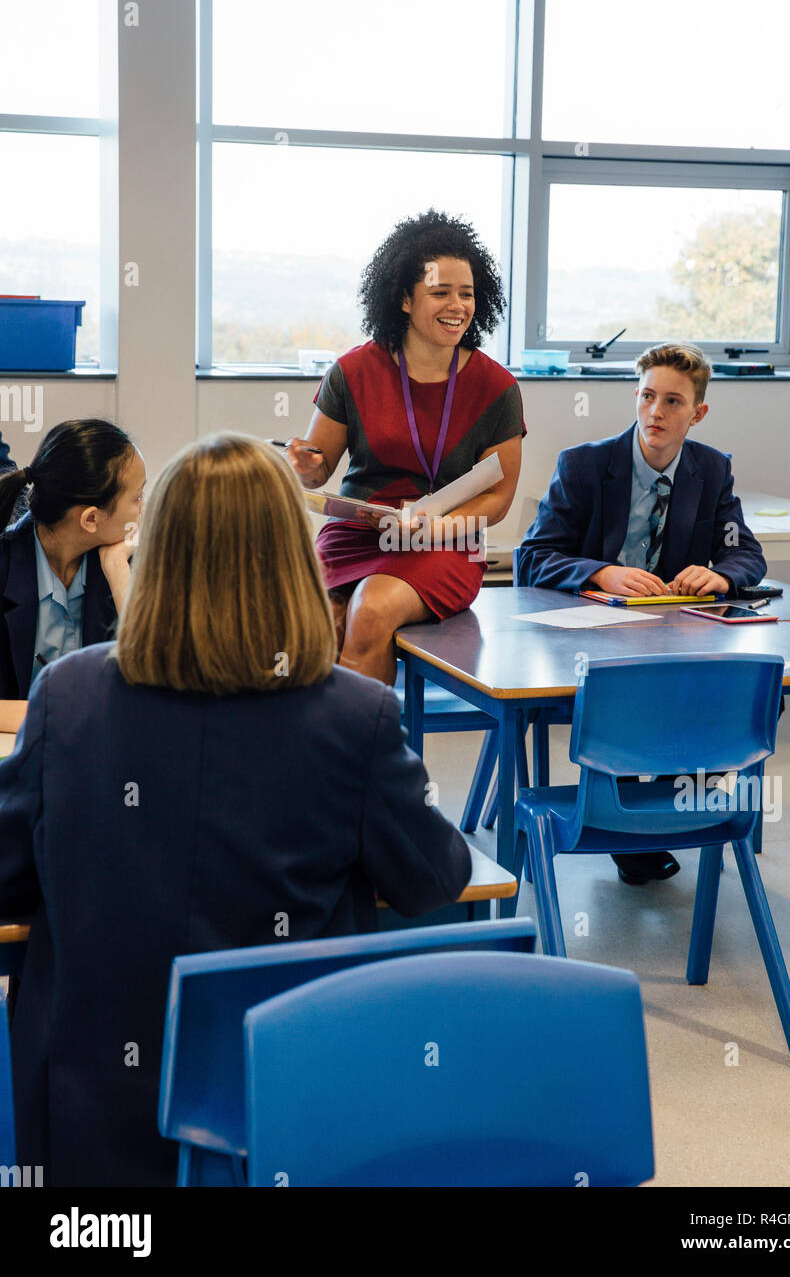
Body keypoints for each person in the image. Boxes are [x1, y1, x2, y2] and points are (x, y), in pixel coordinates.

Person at [0, 433, 471, 1187]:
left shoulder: (68, 698)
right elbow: (434, 878)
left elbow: (6, 877)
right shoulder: (358, 717)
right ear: (294, 558)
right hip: (285, 1104)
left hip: (95, 1118)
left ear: (154, 549)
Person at [517, 341, 767, 886]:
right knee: (630, 697)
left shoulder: (711, 469)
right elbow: (533, 557)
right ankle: (633, 828)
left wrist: (722, 574)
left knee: (734, 695)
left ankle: (667, 816)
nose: (656, 412)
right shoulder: (584, 465)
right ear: (635, 397)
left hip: (669, 634)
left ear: (697, 413)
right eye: (648, 396)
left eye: (673, 402)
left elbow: (746, 553)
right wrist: (601, 572)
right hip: (586, 635)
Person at [286, 209, 525, 683]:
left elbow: (497, 499)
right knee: (300, 616)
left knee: (370, 609)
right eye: (440, 292)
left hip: (448, 542)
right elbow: (317, 470)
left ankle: (366, 753)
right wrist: (302, 464)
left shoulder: (496, 386)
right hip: (359, 532)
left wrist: (435, 528)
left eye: (467, 293)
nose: (457, 305)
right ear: (403, 299)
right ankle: (311, 747)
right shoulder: (353, 371)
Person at [0, 419, 143, 718]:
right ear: (91, 519)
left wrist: (119, 575)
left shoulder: (129, 564)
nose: (144, 508)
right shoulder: (5, 566)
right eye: (137, 497)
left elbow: (156, 691)